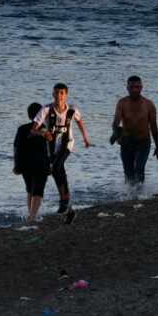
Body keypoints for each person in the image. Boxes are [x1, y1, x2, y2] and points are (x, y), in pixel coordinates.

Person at [32, 83, 93, 223]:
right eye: (56, 93)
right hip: (52, 147)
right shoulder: (46, 109)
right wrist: (44, 133)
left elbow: (80, 122)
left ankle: (64, 202)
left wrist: (85, 138)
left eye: (62, 93)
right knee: (57, 170)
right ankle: (68, 206)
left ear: (66, 95)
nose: (59, 96)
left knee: (56, 167)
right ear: (53, 94)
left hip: (67, 144)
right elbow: (33, 130)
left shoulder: (72, 110)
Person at [112, 76, 158, 186]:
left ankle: (140, 193)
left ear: (141, 88)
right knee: (128, 172)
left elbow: (154, 127)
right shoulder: (122, 103)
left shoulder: (149, 105)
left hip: (143, 142)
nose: (135, 90)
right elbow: (115, 123)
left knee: (139, 168)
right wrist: (116, 134)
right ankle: (129, 193)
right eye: (132, 87)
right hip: (126, 142)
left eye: (137, 87)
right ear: (127, 88)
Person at [13, 102, 50, 222]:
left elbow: (17, 148)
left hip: (25, 164)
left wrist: (16, 165)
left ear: (29, 115)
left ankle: (31, 214)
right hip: (41, 164)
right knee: (38, 190)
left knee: (30, 189)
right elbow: (51, 150)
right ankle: (32, 216)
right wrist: (51, 164)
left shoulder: (22, 129)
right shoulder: (46, 130)